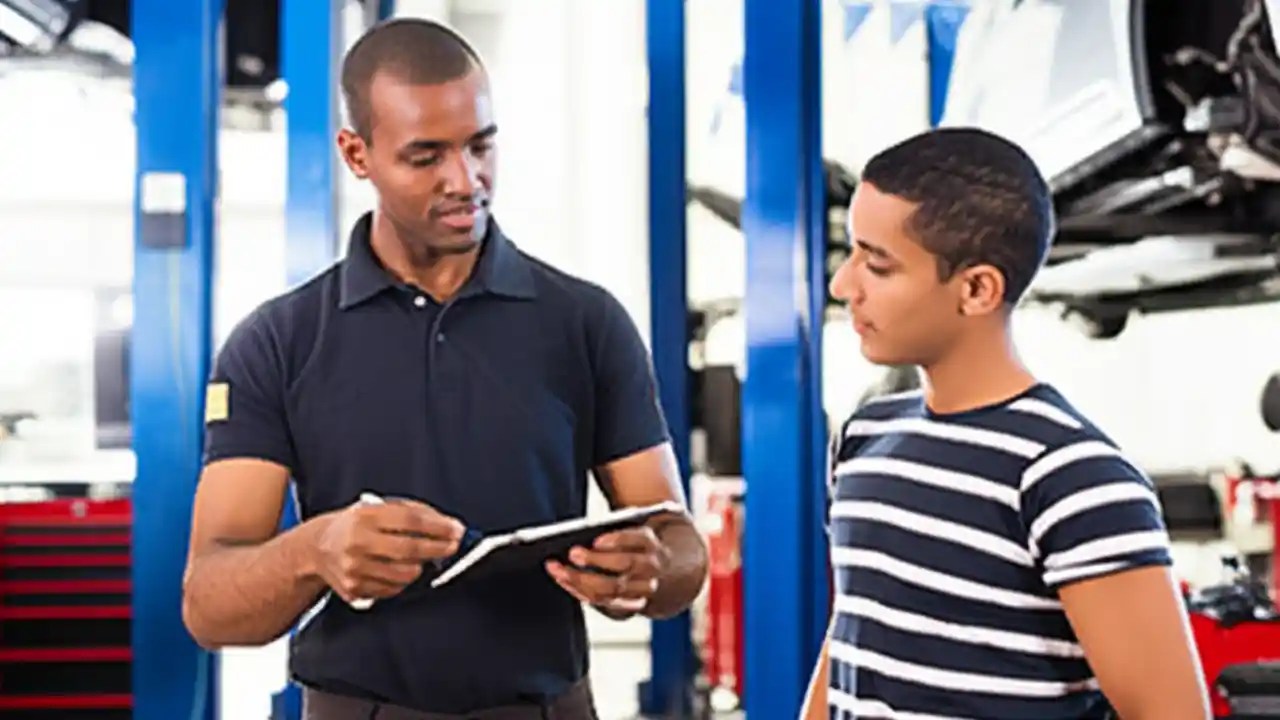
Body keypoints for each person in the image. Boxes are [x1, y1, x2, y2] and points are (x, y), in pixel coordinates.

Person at [179, 18, 708, 719]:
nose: (466, 180)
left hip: (547, 708)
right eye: (426, 156)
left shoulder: (585, 322)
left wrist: (650, 570)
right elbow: (209, 606)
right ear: (356, 154)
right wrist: (316, 549)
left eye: (481, 145)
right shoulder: (277, 342)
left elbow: (680, 545)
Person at [800, 128, 1212, 719]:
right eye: (852, 252)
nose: (844, 286)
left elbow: (1169, 713)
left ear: (976, 289)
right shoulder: (864, 437)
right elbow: (853, 633)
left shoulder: (1071, 475)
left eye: (878, 265)